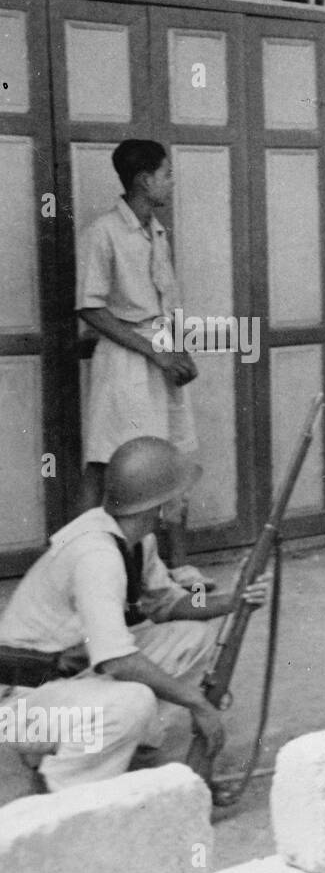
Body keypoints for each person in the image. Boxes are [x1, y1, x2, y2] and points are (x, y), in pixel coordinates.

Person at [0, 438, 270, 795]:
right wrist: (197, 703)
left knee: (190, 637)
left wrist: (233, 600)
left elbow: (169, 604)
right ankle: (61, 794)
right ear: (155, 506)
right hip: (18, 707)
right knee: (131, 703)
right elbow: (118, 662)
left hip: (66, 676)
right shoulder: (96, 554)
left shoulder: (134, 538)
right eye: (177, 492)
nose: (185, 498)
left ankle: (123, 749)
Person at [75, 141, 198, 521]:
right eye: (167, 175)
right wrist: (153, 351)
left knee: (171, 456)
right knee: (107, 459)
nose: (172, 182)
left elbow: (167, 301)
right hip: (123, 364)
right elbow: (89, 307)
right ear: (145, 180)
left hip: (163, 359)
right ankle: (77, 560)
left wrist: (180, 351)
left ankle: (175, 568)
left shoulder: (157, 232)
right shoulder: (103, 233)